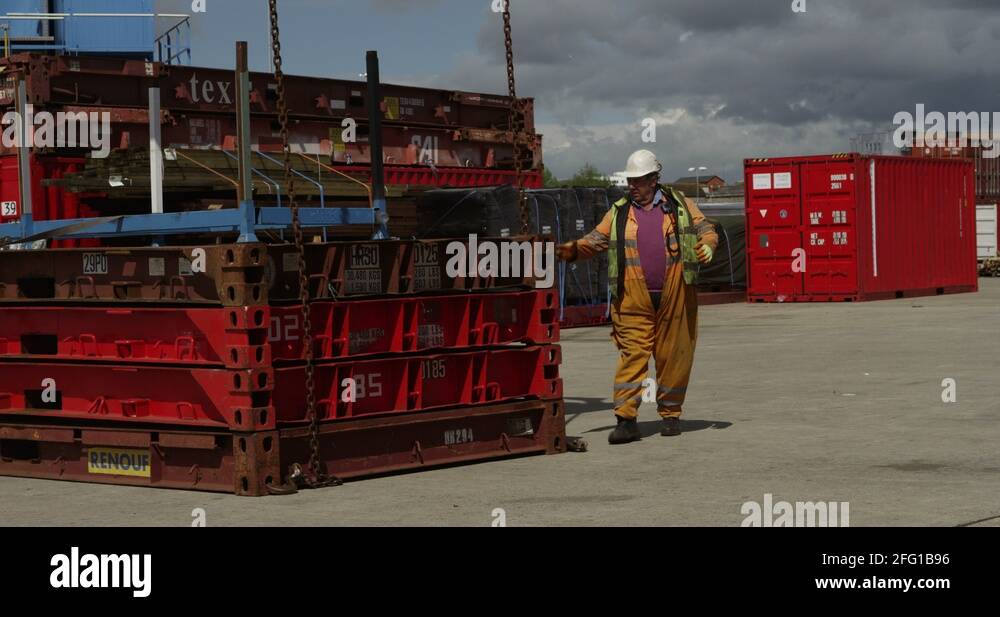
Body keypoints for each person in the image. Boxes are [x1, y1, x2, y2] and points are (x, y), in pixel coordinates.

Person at [556, 150, 719, 444]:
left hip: (676, 294)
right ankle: (626, 419)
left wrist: (708, 244)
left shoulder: (680, 205)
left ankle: (670, 415)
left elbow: (706, 227)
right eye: (630, 181)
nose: (633, 186)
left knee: (675, 356)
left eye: (639, 181)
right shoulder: (619, 212)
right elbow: (593, 242)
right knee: (632, 357)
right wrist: (564, 251)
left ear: (654, 179)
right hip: (632, 300)